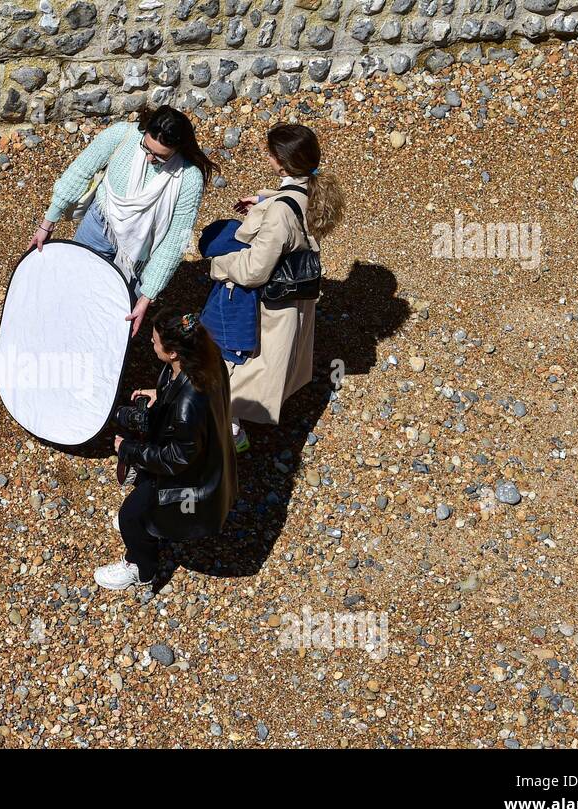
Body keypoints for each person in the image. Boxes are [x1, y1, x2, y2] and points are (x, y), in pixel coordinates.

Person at [208, 123, 345, 452]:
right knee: (278, 362)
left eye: (271, 154)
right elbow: (293, 198)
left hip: (273, 307)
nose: (267, 158)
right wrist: (262, 198)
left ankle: (231, 433)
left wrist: (218, 266)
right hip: (298, 298)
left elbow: (255, 270)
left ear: (281, 162)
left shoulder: (280, 213)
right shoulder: (313, 192)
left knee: (240, 364)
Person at [31, 106, 218, 336]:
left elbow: (173, 243)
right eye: (147, 148)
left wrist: (147, 296)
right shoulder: (122, 135)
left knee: (112, 314)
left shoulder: (189, 179)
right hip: (98, 226)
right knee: (75, 287)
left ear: (179, 148)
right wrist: (47, 222)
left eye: (160, 156)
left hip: (140, 257)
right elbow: (79, 172)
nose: (150, 158)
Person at [95, 310, 238, 590]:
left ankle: (141, 568)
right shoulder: (207, 360)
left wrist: (129, 449)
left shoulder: (187, 406)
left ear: (173, 353)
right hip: (210, 460)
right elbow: (186, 397)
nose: (151, 342)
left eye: (155, 341)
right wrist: (159, 393)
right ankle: (146, 526)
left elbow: (175, 459)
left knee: (130, 517)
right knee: (138, 508)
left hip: (191, 481)